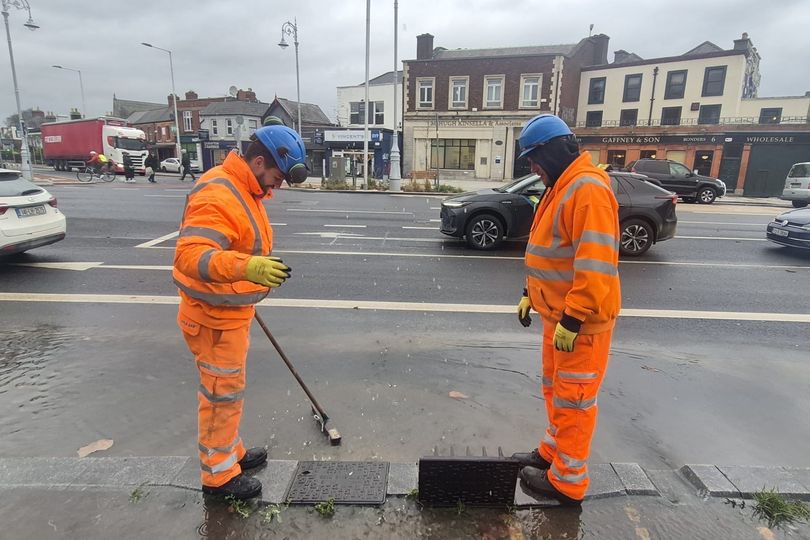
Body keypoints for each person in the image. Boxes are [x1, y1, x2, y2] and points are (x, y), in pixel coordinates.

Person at [173, 124, 309, 500]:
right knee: (220, 394)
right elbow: (189, 256)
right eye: (277, 177)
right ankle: (219, 478)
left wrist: (247, 288)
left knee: (229, 393)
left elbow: (235, 241)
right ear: (260, 160)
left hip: (228, 314)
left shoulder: (248, 190)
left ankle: (230, 453)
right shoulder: (219, 191)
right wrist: (246, 269)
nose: (277, 186)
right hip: (211, 319)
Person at [511, 114, 621, 506]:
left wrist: (574, 317)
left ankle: (567, 482)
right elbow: (553, 252)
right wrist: (529, 292)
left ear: (552, 150)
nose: (531, 167)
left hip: (579, 324)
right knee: (556, 392)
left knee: (574, 400)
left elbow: (595, 263)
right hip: (557, 317)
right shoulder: (564, 184)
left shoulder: (586, 189)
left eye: (533, 158)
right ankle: (552, 454)